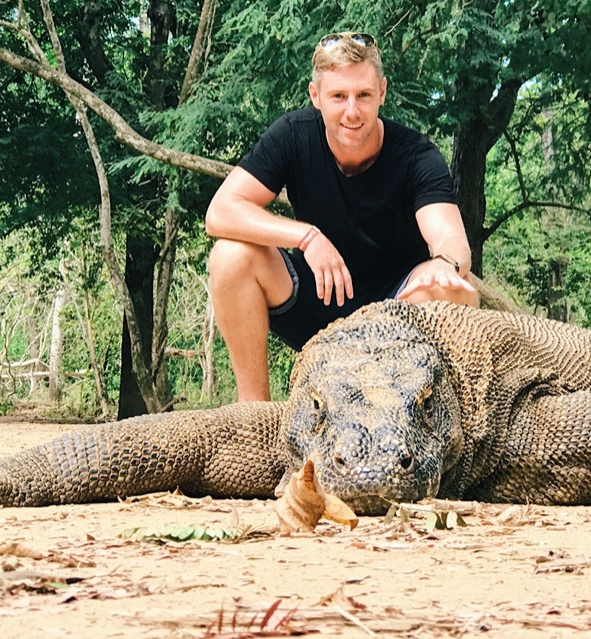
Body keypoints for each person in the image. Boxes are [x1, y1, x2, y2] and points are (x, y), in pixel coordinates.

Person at [204, 31, 479, 401]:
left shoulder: (416, 154)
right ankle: (254, 412)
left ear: (382, 92)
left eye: (363, 95)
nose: (352, 111)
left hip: (397, 315)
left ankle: (420, 412)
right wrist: (306, 237)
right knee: (230, 255)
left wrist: (444, 261)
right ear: (315, 96)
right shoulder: (292, 135)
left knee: (457, 290)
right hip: (318, 298)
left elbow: (451, 239)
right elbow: (220, 212)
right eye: (338, 96)